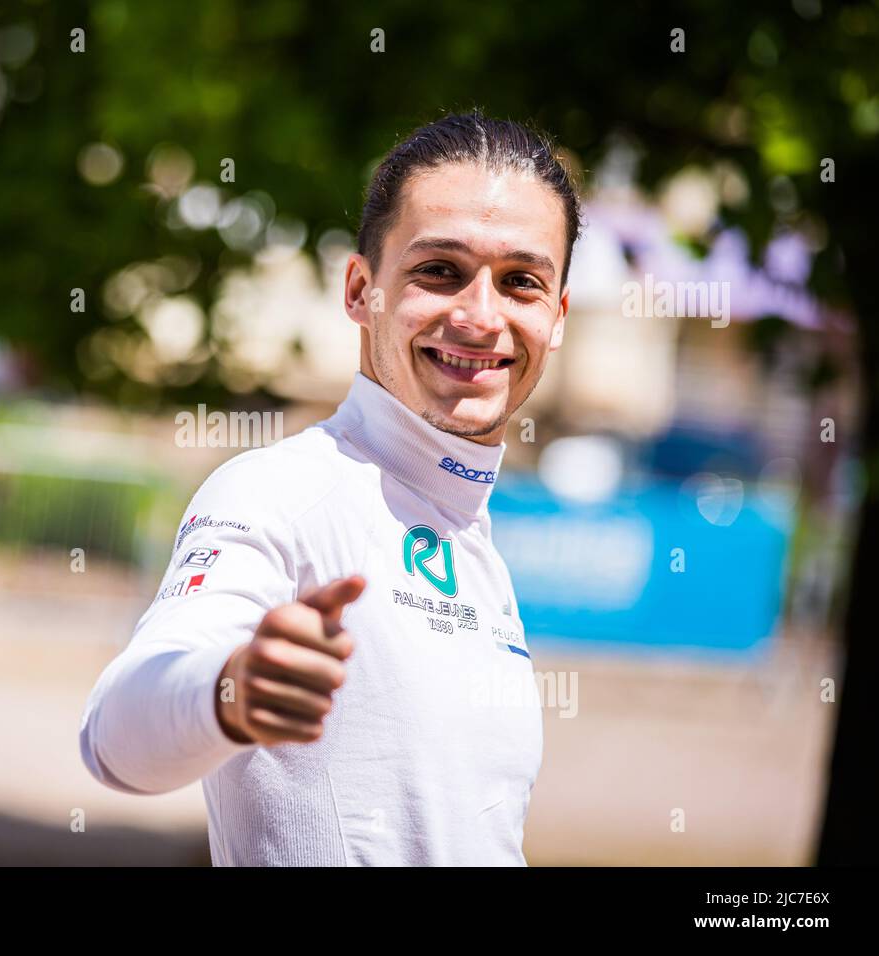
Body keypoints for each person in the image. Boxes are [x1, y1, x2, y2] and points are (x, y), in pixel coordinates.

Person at [79, 110, 580, 865]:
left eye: (520, 283)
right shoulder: (277, 491)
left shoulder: (470, 532)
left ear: (557, 316)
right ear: (359, 290)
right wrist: (231, 692)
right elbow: (115, 737)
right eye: (438, 270)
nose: (481, 316)